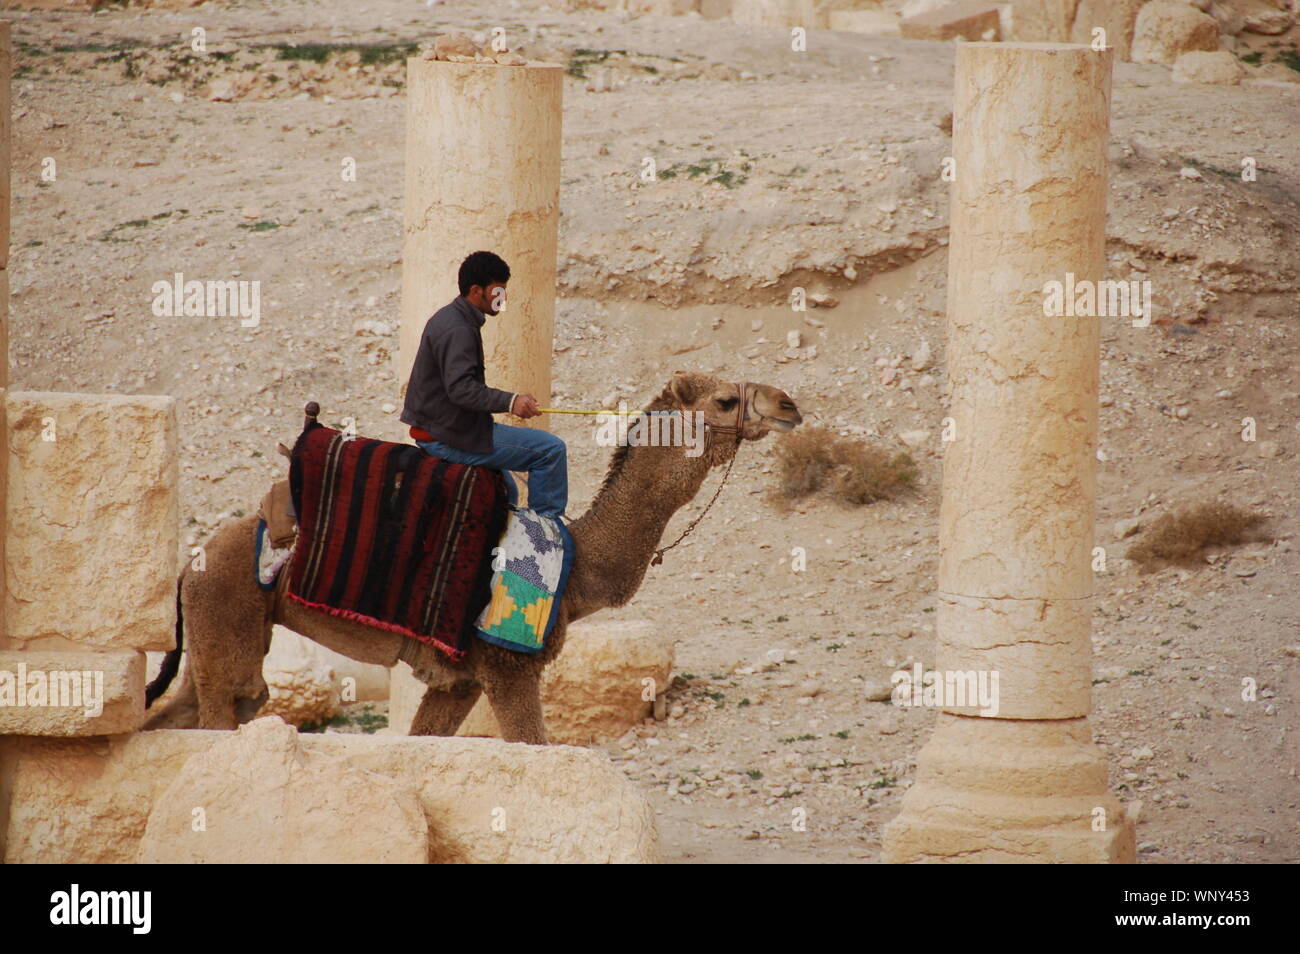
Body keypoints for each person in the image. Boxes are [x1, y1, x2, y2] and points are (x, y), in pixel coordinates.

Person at [401, 250, 568, 518]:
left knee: (509, 492)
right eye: (498, 292)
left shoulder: (453, 318)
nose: (504, 299)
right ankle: (546, 538)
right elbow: (461, 390)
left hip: (448, 427)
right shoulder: (459, 329)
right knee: (550, 451)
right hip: (448, 436)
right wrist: (512, 402)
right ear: (477, 291)